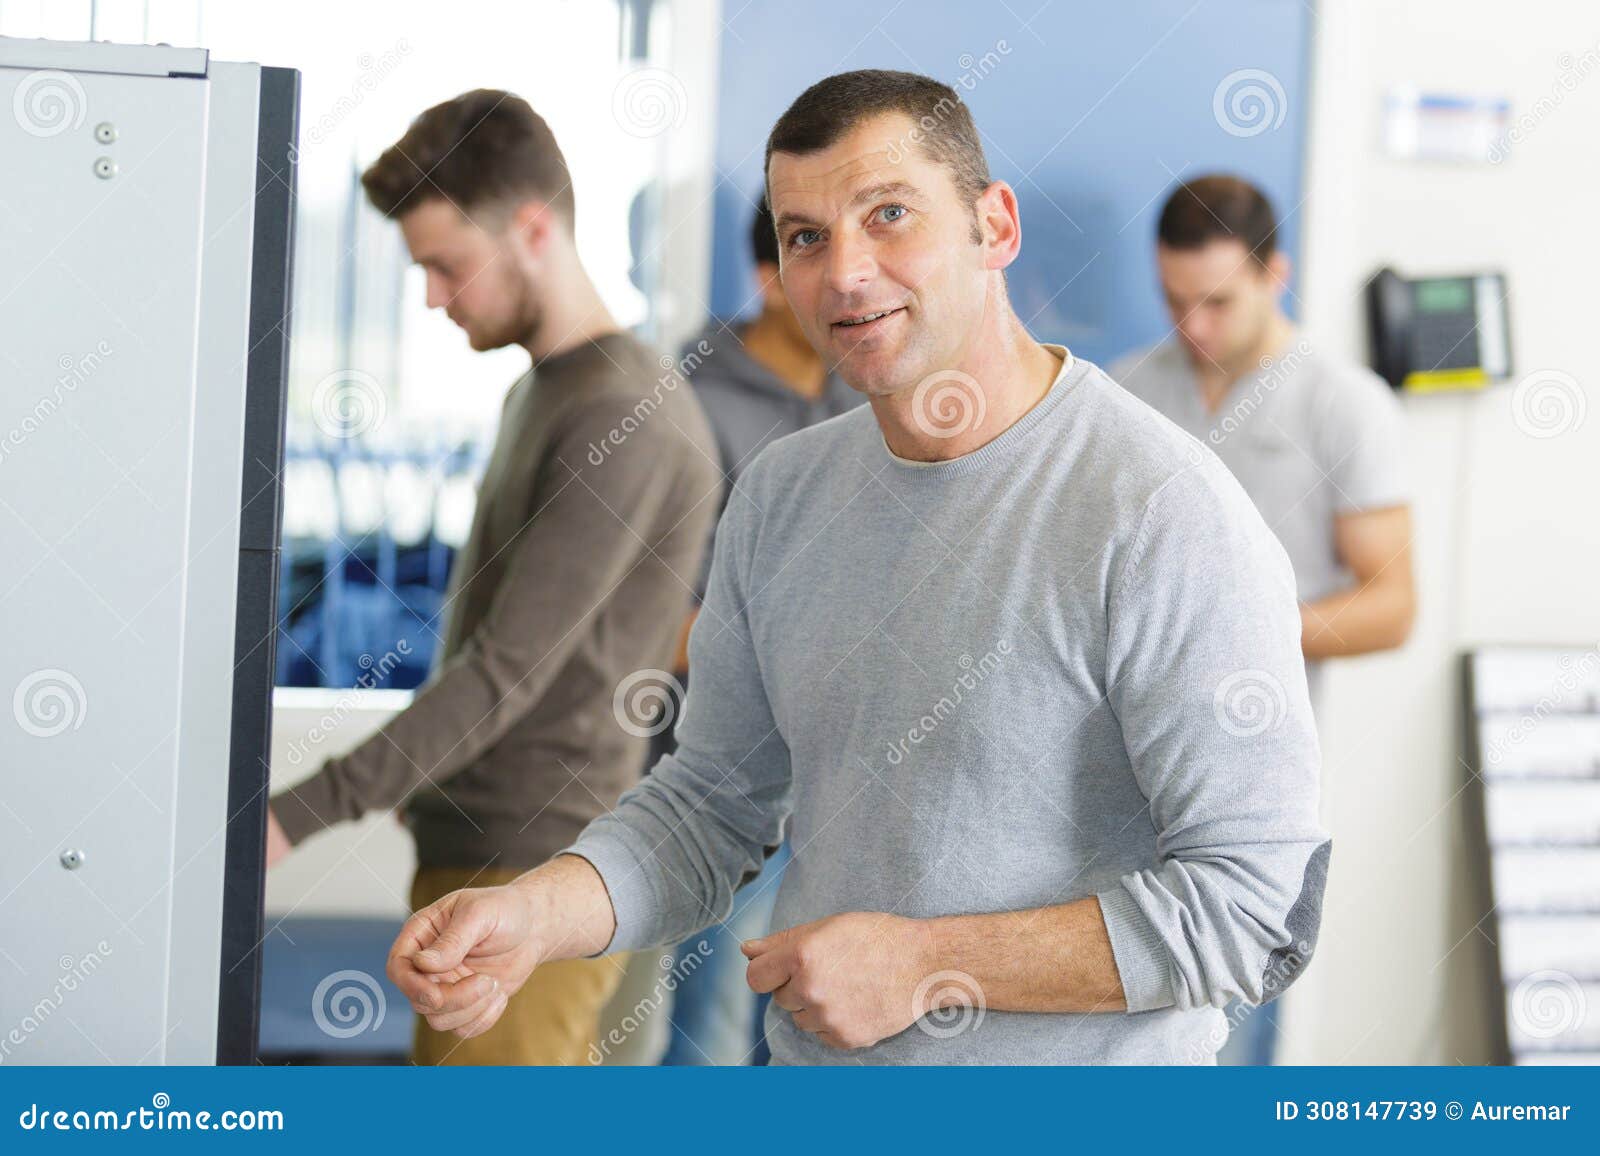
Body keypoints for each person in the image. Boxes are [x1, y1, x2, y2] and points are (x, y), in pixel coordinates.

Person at [385, 69, 1330, 1065]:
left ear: (994, 227)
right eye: (806, 236)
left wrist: (927, 965)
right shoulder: (779, 495)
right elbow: (708, 806)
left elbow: (1257, 909)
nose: (845, 272)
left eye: (889, 216)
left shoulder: (1163, 510)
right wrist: (538, 910)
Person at [264, 89, 720, 1066]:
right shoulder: (546, 390)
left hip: (531, 871)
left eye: (445, 266)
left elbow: (502, 670)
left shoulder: (618, 413)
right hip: (487, 855)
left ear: (533, 228)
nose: (433, 296)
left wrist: (292, 815)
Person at [1112, 175, 1415, 1065]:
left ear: (1274, 272)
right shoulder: (1126, 390)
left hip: (1255, 792)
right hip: (1119, 788)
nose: (1194, 327)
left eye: (1217, 302)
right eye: (1174, 302)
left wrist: (1238, 630)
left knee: (1228, 1042)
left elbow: (1393, 606)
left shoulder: (1343, 404)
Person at [658, 197, 863, 1066]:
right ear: (767, 280)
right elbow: (657, 619)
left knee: (814, 1045)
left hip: (852, 791)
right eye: (809, 252)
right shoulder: (688, 405)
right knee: (710, 1031)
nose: (848, 285)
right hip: (733, 789)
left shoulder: (867, 394)